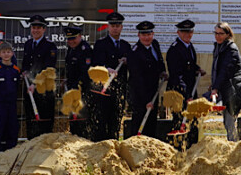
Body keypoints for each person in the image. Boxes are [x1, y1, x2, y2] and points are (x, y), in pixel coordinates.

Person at [90, 11, 130, 141]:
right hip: (104, 90)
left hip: (120, 89)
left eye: (118, 25)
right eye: (112, 25)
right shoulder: (101, 44)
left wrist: (127, 61)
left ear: (121, 27)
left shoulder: (126, 46)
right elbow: (95, 64)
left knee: (116, 122)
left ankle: (114, 145)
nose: (115, 28)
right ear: (108, 27)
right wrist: (107, 69)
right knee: (102, 121)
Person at [126, 21, 166, 139]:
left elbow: (159, 60)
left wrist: (162, 71)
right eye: (143, 35)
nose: (146, 38)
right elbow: (137, 79)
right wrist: (147, 101)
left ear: (153, 34)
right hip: (140, 95)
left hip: (153, 90)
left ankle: (149, 149)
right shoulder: (134, 52)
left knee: (151, 122)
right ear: (139, 35)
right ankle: (134, 147)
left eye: (148, 34)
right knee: (139, 123)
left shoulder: (155, 45)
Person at [165, 19, 204, 142]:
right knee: (179, 120)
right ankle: (178, 148)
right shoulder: (174, 49)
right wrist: (186, 95)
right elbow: (176, 75)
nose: (187, 34)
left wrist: (197, 69)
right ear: (178, 32)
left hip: (190, 90)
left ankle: (191, 147)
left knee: (192, 119)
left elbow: (188, 65)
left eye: (190, 32)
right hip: (179, 93)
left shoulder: (189, 46)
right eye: (184, 32)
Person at [210, 22, 241, 142]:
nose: (218, 36)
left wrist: (215, 88)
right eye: (216, 33)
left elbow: (225, 71)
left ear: (228, 34)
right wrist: (214, 85)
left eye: (221, 34)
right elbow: (217, 69)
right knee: (227, 121)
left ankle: (234, 146)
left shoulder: (231, 48)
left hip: (234, 89)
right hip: (227, 89)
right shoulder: (219, 46)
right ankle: (232, 145)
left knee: (230, 121)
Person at [22, 15, 57, 139]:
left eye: (38, 28)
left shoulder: (50, 46)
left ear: (44, 29)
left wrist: (35, 84)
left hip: (43, 91)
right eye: (33, 27)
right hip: (30, 89)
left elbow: (48, 69)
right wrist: (24, 72)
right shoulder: (28, 44)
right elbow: (26, 64)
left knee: (44, 121)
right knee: (31, 120)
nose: (35, 30)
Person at [0, 42, 22, 155]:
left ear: (12, 53)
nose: (6, 54)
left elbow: (17, 86)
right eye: (4, 52)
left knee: (12, 127)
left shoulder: (16, 70)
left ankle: (11, 153)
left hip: (11, 104)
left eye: (8, 52)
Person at [63, 24, 93, 139]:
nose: (71, 41)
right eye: (68, 39)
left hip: (82, 90)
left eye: (73, 38)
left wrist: (77, 86)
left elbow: (86, 72)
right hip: (72, 89)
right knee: (73, 118)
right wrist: (68, 81)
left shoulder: (85, 50)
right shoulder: (71, 49)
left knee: (81, 118)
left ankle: (82, 141)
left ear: (80, 36)